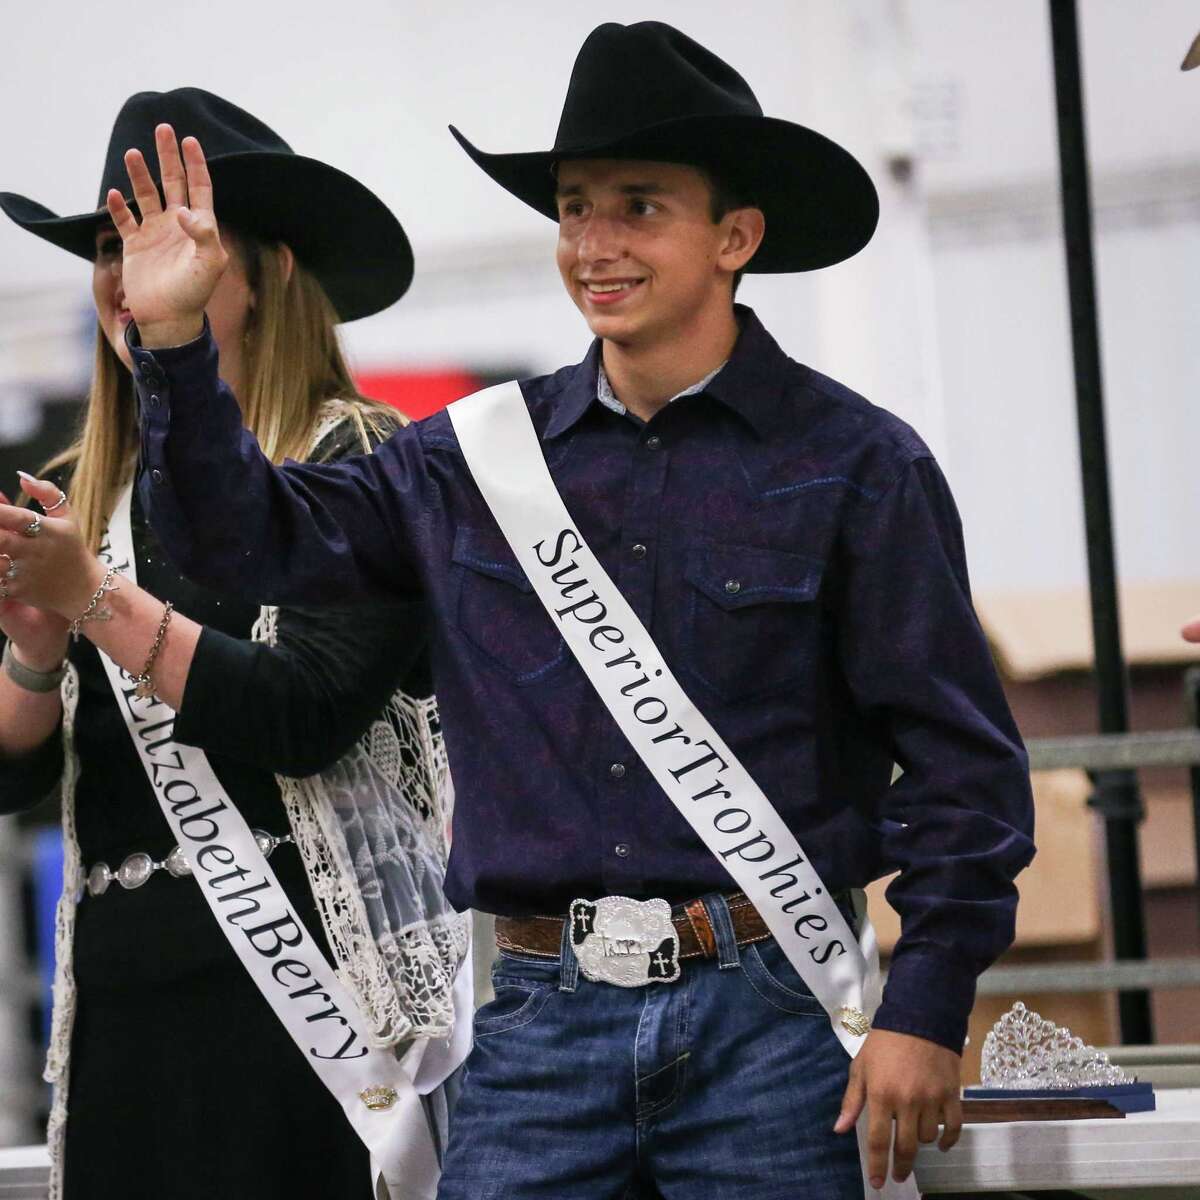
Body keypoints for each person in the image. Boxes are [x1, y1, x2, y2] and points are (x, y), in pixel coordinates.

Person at [45, 23, 1037, 1198]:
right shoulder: (468, 460)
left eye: (637, 206)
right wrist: (169, 337)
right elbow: (240, 538)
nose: (595, 243)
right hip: (540, 1019)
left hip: (770, 1012)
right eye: (573, 207)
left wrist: (925, 1006)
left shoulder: (858, 466)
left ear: (737, 235)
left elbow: (963, 773)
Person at [0, 89, 466, 1200]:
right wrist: (28, 648)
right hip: (126, 1007)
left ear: (269, 270)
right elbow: (14, 773)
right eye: (111, 247)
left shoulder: (360, 463)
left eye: (168, 242)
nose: (129, 275)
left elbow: (302, 713)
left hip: (310, 1008)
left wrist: (97, 600)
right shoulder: (82, 493)